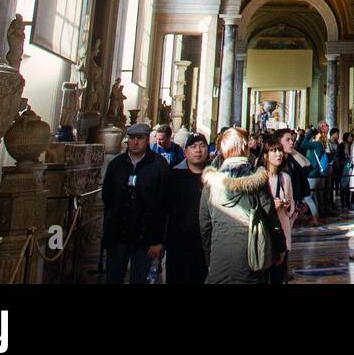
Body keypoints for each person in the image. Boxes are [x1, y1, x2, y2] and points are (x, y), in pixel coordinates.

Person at [199, 127, 285, 284]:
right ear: (245, 148)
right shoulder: (257, 179)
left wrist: (209, 257)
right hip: (251, 253)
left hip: (220, 254)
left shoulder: (210, 183)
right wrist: (279, 248)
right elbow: (270, 216)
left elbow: (205, 226)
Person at [101, 122, 169, 283]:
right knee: (113, 277)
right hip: (118, 233)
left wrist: (157, 241)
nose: (135, 142)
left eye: (140, 138)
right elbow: (107, 196)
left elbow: (163, 204)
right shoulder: (116, 165)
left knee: (139, 279)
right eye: (132, 138)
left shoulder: (159, 165)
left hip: (145, 236)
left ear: (147, 140)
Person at [162, 133, 209, 283]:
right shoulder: (174, 175)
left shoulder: (214, 177)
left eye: (202, 146)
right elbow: (163, 209)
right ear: (186, 151)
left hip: (204, 244)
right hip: (178, 243)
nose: (198, 150)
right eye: (193, 147)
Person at [262, 133, 297, 283]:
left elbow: (291, 205)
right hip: (265, 235)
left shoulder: (285, 178)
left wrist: (287, 205)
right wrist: (271, 205)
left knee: (279, 276)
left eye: (279, 151)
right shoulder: (259, 178)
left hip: (282, 233)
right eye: (274, 151)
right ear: (265, 155)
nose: (278, 154)